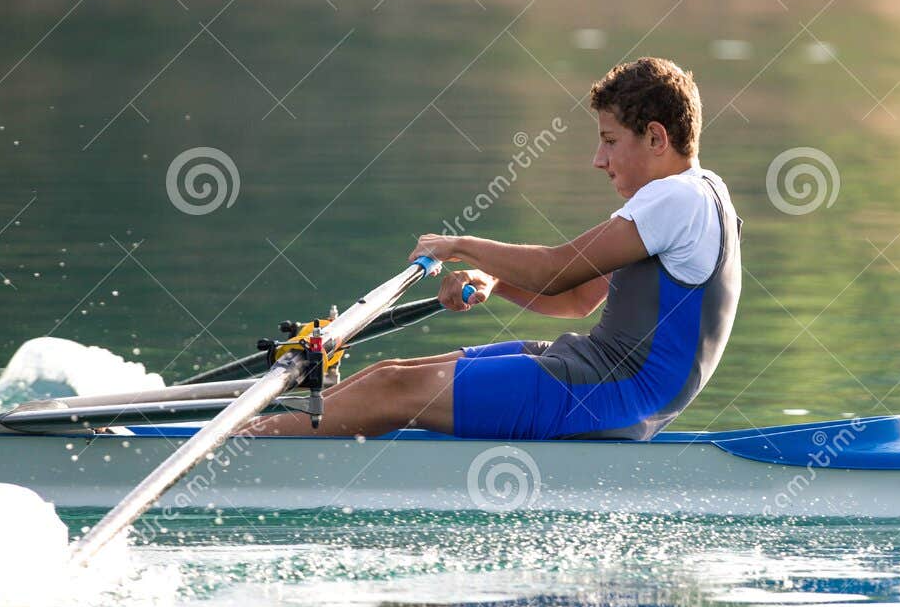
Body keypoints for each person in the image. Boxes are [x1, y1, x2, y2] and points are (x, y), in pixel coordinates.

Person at [243, 56, 740, 441]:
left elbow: (555, 270)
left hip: (610, 395)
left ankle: (233, 447)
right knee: (389, 373)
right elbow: (574, 298)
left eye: (609, 141)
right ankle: (263, 434)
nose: (598, 159)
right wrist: (496, 281)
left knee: (392, 391)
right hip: (601, 379)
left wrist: (460, 246)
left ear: (656, 137)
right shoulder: (696, 195)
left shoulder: (677, 198)